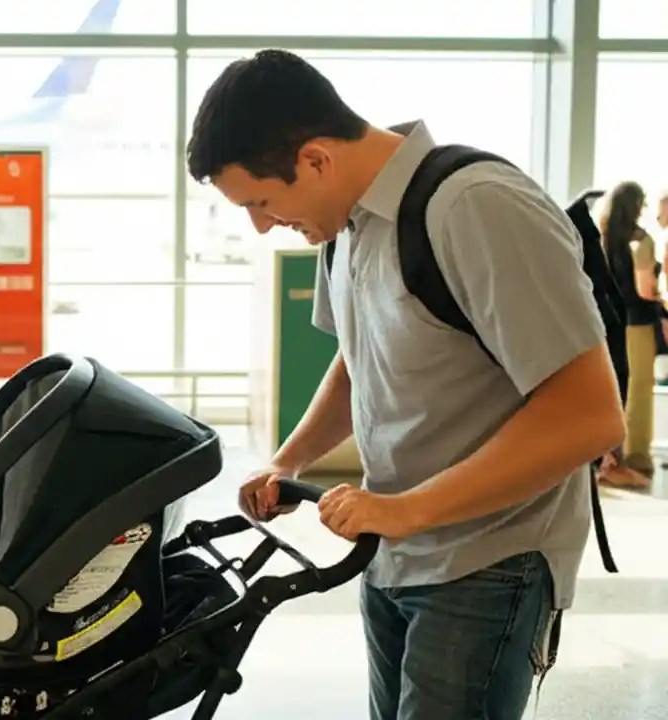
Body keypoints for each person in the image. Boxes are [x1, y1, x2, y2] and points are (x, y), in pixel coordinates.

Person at [187, 49, 625, 720]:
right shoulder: (347, 223)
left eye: (263, 202)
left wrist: (408, 509)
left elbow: (590, 415)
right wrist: (289, 458)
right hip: (394, 551)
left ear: (315, 160)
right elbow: (359, 357)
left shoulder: (475, 207)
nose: (263, 225)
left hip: (488, 559)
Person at [595, 182, 657, 488]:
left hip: (613, 322)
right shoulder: (641, 241)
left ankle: (610, 458)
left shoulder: (603, 238)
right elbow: (646, 290)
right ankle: (636, 458)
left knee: (619, 387)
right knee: (641, 388)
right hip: (639, 321)